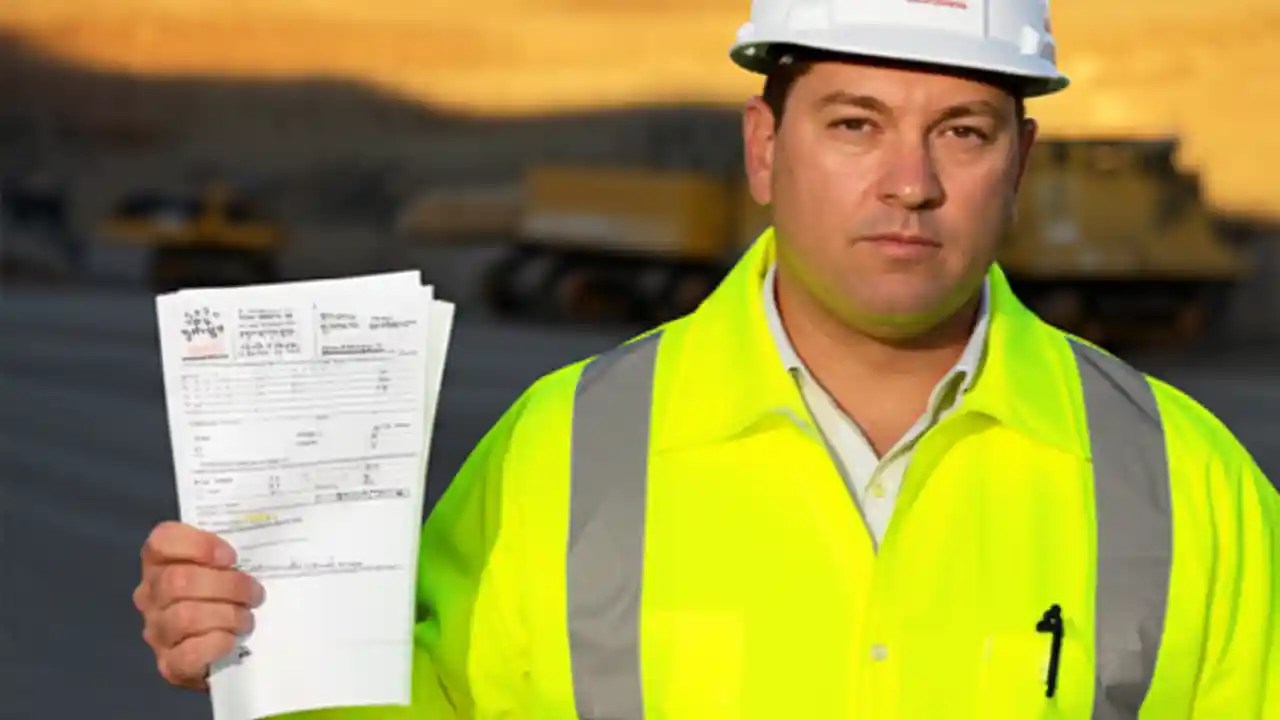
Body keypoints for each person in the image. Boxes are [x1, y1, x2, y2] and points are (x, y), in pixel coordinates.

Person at [133, 0, 1280, 717]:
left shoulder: (1186, 485)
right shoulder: (560, 449)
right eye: (852, 122)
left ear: (1019, 163)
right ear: (762, 147)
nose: (909, 181)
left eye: (961, 132)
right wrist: (259, 651)